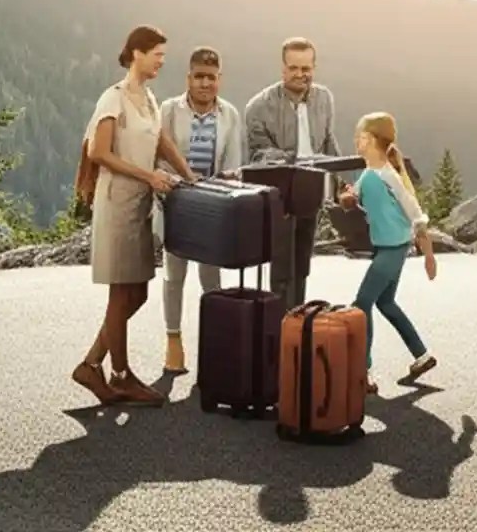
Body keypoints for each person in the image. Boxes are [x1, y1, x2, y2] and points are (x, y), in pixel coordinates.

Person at [71, 25, 199, 407]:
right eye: (157, 54)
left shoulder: (147, 97)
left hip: (139, 206)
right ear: (136, 53)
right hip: (117, 205)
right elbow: (98, 151)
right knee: (121, 291)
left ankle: (92, 363)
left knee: (138, 291)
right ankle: (121, 375)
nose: (162, 61)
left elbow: (161, 141)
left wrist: (191, 177)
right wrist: (150, 176)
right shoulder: (113, 99)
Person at [152, 46, 246, 374]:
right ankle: (173, 342)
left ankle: (215, 344)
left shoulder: (230, 115)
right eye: (199, 77)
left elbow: (232, 164)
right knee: (174, 274)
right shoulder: (168, 110)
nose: (205, 83)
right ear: (188, 78)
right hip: (176, 202)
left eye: (211, 77)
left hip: (211, 205)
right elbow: (157, 155)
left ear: (220, 79)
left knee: (211, 277)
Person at [339, 112, 438, 394]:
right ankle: (422, 356)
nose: (355, 141)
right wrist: (345, 197)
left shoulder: (390, 177)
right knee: (386, 303)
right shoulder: (369, 174)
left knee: (361, 305)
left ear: (369, 140)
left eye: (359, 137)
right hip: (386, 247)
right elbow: (353, 198)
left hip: (394, 249)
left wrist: (429, 255)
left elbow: (417, 215)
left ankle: (363, 370)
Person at [243, 37, 340, 307]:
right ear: (283, 68)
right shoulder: (258, 107)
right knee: (282, 268)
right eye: (294, 68)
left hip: (312, 191)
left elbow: (328, 141)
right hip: (280, 196)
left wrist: (341, 182)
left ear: (314, 68)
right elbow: (259, 155)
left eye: (306, 69)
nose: (300, 75)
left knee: (303, 264)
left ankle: (297, 325)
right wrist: (296, 159)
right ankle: (278, 329)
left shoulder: (324, 99)